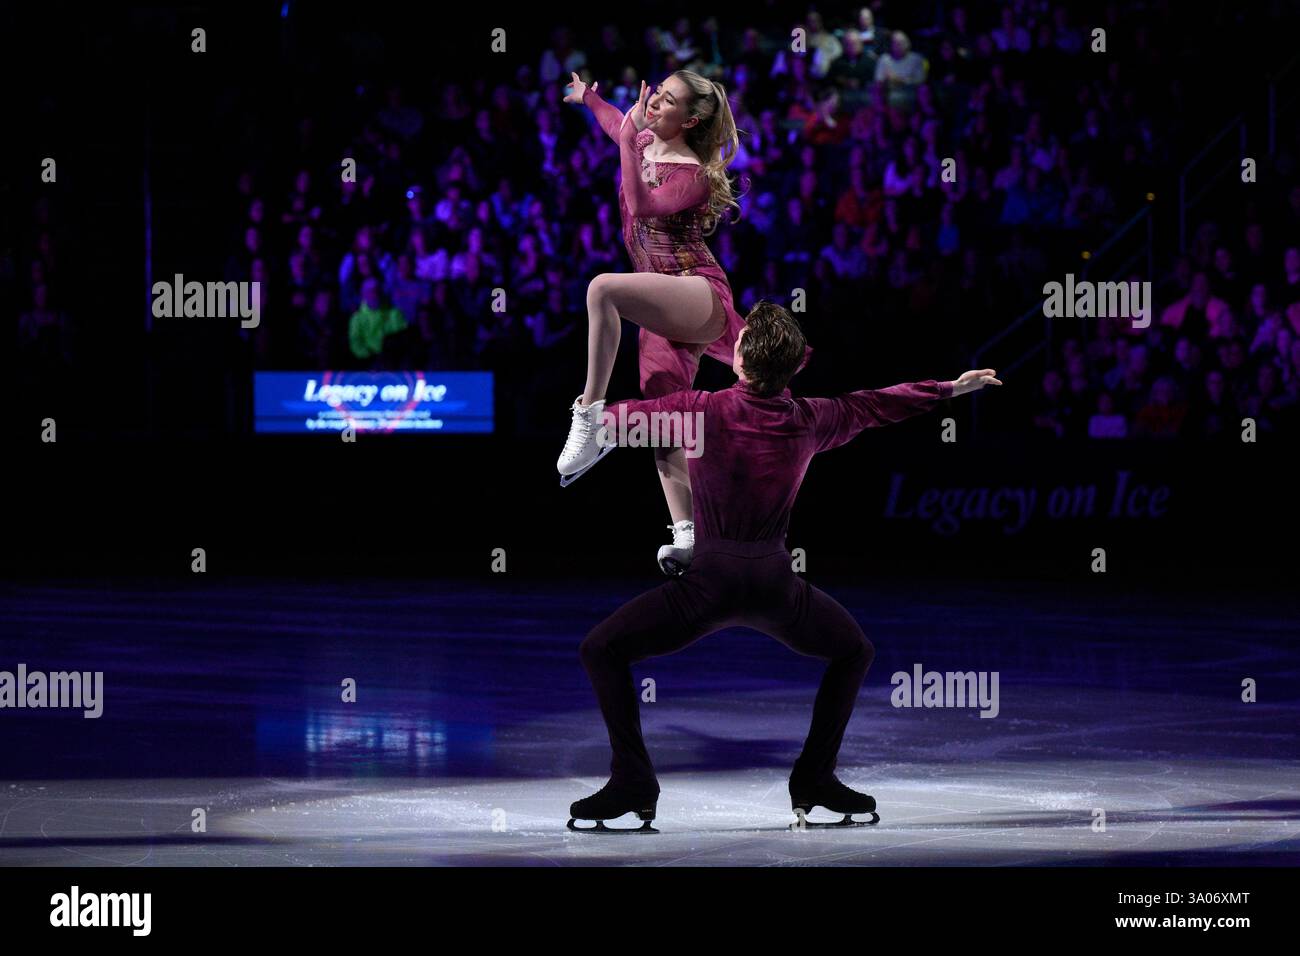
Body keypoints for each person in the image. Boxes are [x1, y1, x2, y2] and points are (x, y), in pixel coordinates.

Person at [567, 301, 1001, 831]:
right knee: (853, 651)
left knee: (601, 650)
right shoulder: (811, 419)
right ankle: (815, 778)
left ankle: (633, 781)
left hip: (706, 586)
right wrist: (949, 389)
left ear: (741, 362)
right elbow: (875, 405)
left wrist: (591, 412)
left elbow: (608, 423)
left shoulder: (696, 410)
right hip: (774, 587)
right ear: (794, 368)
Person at [557, 70, 809, 575]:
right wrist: (590, 97)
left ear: (690, 119)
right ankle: (691, 537)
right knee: (664, 415)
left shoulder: (692, 172)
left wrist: (630, 142)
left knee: (602, 288)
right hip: (660, 299)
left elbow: (643, 203)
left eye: (667, 100)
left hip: (697, 289)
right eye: (657, 94)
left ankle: (590, 415)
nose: (653, 104)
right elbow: (615, 124)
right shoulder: (642, 134)